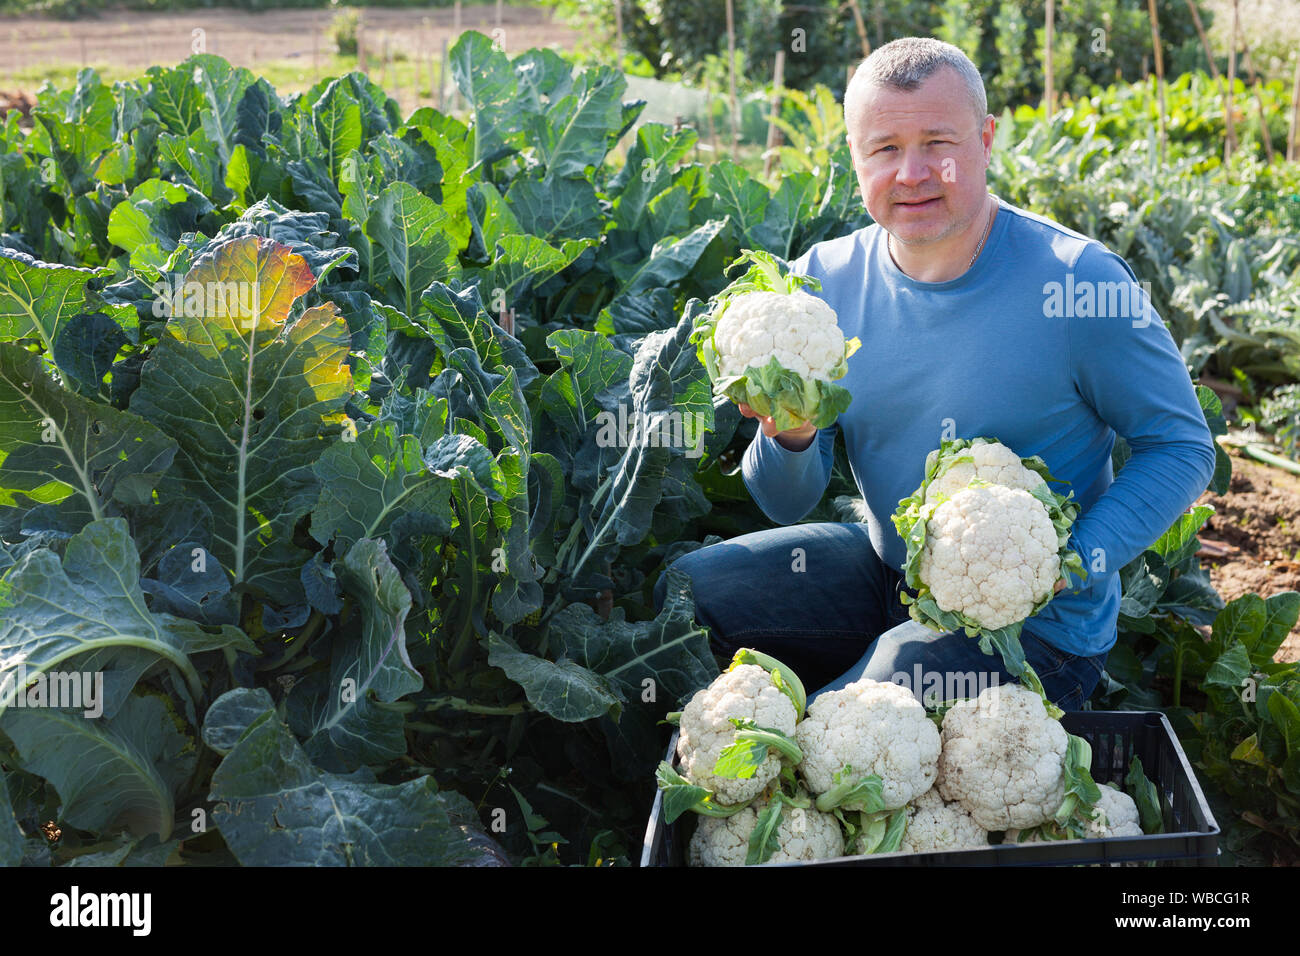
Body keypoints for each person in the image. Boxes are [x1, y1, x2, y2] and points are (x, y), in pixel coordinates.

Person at [652, 37, 1218, 709]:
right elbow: (785, 501)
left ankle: (853, 703)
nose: (913, 173)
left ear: (985, 139)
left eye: (938, 143)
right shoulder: (822, 283)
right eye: (885, 148)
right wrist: (792, 437)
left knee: (843, 723)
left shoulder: (1078, 283)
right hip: (889, 572)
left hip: (1031, 629)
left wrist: (1069, 562)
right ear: (855, 157)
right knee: (689, 593)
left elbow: (1182, 447)